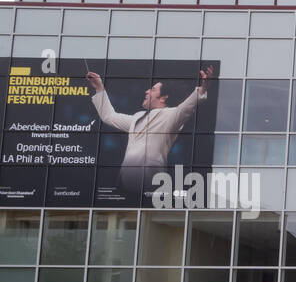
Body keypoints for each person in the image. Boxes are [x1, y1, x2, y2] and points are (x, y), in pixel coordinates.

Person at [85, 65, 216, 196]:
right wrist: (99, 88)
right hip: (124, 187)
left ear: (163, 97)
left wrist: (203, 88)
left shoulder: (170, 116)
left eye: (152, 89)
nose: (147, 91)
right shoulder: (137, 117)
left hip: (150, 187)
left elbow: (187, 106)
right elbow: (109, 116)